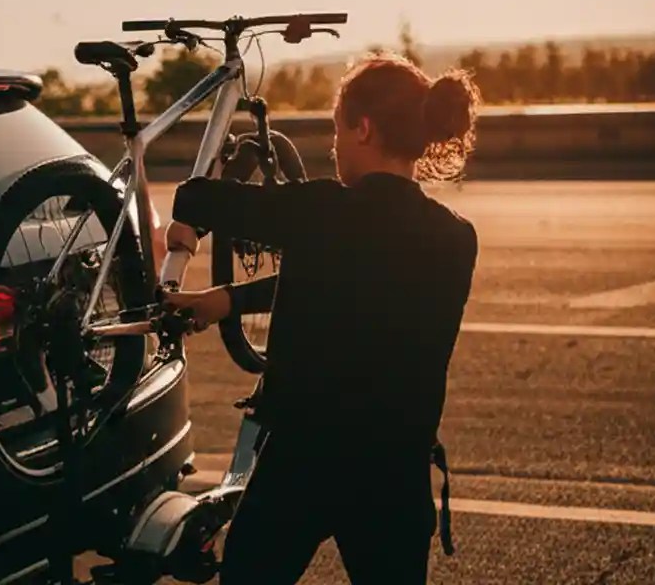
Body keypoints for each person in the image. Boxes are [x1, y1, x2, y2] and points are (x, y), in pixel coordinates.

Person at [164, 52, 481, 584]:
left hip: (301, 465)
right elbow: (356, 285)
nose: (333, 146)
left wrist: (220, 156)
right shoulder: (454, 236)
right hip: (395, 474)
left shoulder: (318, 211)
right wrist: (229, 298)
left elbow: (194, 197)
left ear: (363, 129)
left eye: (336, 130)